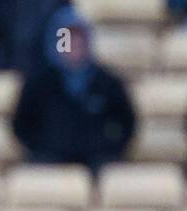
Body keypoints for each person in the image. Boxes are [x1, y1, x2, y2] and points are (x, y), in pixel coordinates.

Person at [11, 8, 135, 172]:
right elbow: (22, 123)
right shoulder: (39, 83)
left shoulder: (107, 82)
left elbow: (126, 121)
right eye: (67, 41)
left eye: (79, 39)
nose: (74, 46)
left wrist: (108, 148)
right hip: (50, 163)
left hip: (96, 165)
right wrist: (41, 148)